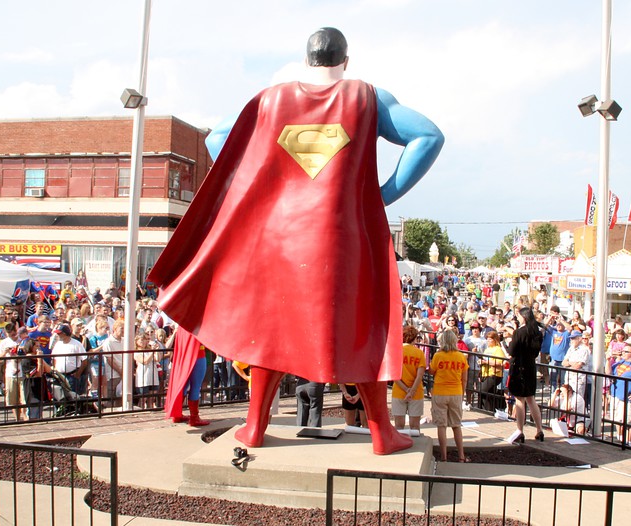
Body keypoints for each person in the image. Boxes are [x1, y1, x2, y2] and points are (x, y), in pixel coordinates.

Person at [148, 27, 443, 455]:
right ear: (346, 61)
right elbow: (429, 137)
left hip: (281, 236)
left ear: (307, 61)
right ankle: (382, 433)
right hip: (345, 238)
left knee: (271, 328)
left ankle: (255, 427)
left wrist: (261, 182)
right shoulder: (368, 97)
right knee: (361, 326)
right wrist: (383, 195)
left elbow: (217, 138)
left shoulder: (271, 99)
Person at [506, 307, 546, 444]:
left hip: (519, 367)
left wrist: (510, 342)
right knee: (531, 399)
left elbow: (512, 351)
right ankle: (539, 429)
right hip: (530, 366)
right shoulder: (537, 333)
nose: (518, 318)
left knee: (520, 400)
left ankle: (520, 430)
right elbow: (535, 353)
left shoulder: (519, 332)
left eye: (519, 316)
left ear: (524, 317)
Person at [430, 330, 468, 462]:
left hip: (440, 392)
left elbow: (431, 371)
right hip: (456, 392)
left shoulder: (438, 356)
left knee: (441, 425)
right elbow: (464, 379)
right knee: (456, 425)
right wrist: (462, 394)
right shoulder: (461, 356)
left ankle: (444, 457)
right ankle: (461, 456)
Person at [391, 325, 425, 431]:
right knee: (415, 427)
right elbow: (419, 375)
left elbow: (393, 375)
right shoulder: (419, 353)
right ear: (414, 338)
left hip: (399, 391)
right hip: (416, 392)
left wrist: (406, 390)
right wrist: (412, 391)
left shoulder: (395, 351)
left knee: (399, 426)